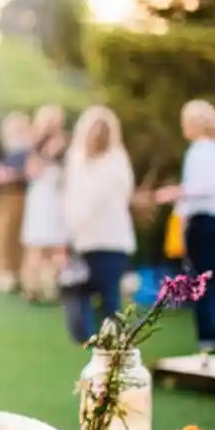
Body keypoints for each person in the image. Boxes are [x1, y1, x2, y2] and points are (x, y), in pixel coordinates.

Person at [155, 100, 215, 353]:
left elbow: (205, 187)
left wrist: (175, 194)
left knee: (202, 281)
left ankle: (208, 336)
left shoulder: (199, 150)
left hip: (206, 221)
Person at [62, 106, 135, 343]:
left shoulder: (90, 162)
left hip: (95, 238)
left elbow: (80, 202)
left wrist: (70, 230)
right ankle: (105, 338)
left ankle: (93, 337)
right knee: (105, 293)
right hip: (108, 239)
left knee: (89, 292)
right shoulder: (114, 160)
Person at [21, 105, 68, 302]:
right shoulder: (35, 146)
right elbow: (31, 172)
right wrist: (46, 155)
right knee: (37, 244)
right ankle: (32, 287)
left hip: (58, 196)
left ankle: (55, 286)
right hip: (41, 196)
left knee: (58, 244)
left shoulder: (66, 143)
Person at [0, 112, 30, 291]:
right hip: (4, 199)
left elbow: (26, 173)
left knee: (14, 237)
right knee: (4, 237)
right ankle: (7, 273)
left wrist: (7, 175)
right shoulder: (9, 151)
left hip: (17, 198)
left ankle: (17, 274)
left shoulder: (25, 151)